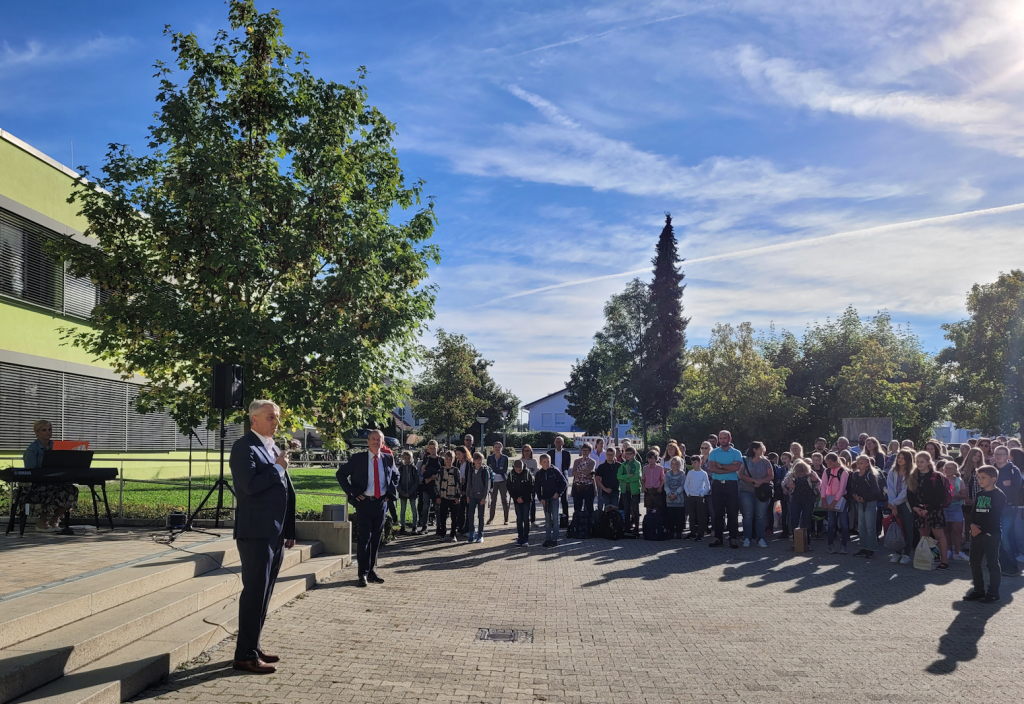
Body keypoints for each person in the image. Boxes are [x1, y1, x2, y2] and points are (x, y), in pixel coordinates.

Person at [230, 400, 297, 674]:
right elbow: (249, 486)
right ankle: (244, 656)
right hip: (255, 532)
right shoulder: (244, 447)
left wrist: (289, 530)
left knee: (265, 593)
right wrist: (278, 467)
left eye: (277, 417)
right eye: (271, 417)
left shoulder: (271, 447)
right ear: (254, 420)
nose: (276, 422)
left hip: (275, 532)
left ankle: (253, 646)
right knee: (255, 593)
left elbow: (285, 492)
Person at [338, 429, 398, 587]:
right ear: (368, 441)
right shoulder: (358, 459)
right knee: (364, 539)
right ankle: (362, 573)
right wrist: (352, 492)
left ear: (382, 442)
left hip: (380, 504)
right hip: (364, 503)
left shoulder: (388, 458)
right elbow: (340, 474)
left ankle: (372, 571)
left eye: (379, 439)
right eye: (373, 439)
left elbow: (395, 475)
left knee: (376, 539)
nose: (376, 442)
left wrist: (389, 493)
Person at [21, 419, 78, 532]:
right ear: (37, 433)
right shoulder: (32, 449)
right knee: (50, 490)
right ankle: (41, 522)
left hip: (55, 481)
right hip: (37, 484)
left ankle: (55, 519)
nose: (48, 432)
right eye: (44, 430)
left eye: (49, 429)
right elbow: (30, 471)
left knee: (72, 490)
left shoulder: (56, 446)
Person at [965, 465, 1006, 603]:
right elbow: (973, 513)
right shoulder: (979, 494)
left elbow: (995, 516)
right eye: (978, 477)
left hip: (991, 534)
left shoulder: (999, 495)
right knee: (974, 561)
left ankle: (993, 593)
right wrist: (972, 525)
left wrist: (980, 529)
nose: (980, 480)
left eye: (983, 477)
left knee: (992, 563)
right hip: (976, 533)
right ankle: (978, 590)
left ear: (993, 479)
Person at [908, 450, 951, 570]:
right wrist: (914, 507)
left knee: (939, 534)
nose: (919, 464)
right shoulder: (914, 476)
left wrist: (929, 509)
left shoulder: (936, 476)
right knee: (923, 534)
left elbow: (940, 495)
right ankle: (925, 558)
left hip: (934, 509)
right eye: (917, 461)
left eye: (922, 461)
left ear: (928, 462)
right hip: (919, 509)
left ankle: (944, 561)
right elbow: (910, 493)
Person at [708, 430, 743, 549]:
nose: (722, 440)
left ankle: (733, 538)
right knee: (718, 512)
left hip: (731, 485)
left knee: (732, 512)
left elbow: (736, 467)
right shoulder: (713, 452)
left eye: (725, 438)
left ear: (730, 439)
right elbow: (712, 468)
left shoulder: (736, 453)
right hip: (717, 485)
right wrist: (728, 469)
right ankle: (718, 538)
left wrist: (721, 466)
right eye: (721, 438)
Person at [992, 445, 1022, 577]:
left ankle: (1012, 567)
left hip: (1009, 507)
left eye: (1002, 454)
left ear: (1008, 456)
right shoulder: (991, 469)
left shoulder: (1014, 470)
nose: (998, 456)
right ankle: (1001, 565)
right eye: (996, 454)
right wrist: (1002, 484)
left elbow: (1015, 489)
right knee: (996, 536)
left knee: (1005, 535)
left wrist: (997, 484)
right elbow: (986, 485)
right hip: (993, 507)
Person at [738, 441, 772, 548]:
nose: (763, 450)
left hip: (762, 491)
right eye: (761, 448)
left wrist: (761, 482)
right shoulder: (745, 460)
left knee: (761, 515)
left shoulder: (765, 461)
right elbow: (740, 475)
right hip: (746, 490)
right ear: (754, 449)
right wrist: (754, 481)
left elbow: (771, 476)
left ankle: (760, 538)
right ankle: (747, 537)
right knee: (748, 515)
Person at [849, 454, 883, 558]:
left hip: (870, 503)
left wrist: (865, 498)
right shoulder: (855, 475)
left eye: (861, 463)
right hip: (860, 502)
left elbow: (875, 491)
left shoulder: (870, 475)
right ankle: (863, 547)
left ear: (867, 464)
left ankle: (871, 549)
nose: (859, 465)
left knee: (870, 526)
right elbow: (852, 487)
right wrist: (855, 496)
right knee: (861, 526)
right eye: (858, 463)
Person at [886, 449, 916, 564]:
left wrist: (895, 502)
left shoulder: (911, 473)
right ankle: (897, 552)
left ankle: (907, 553)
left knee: (907, 527)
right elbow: (889, 487)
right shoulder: (892, 471)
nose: (900, 460)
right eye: (899, 457)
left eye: (903, 458)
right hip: (894, 502)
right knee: (897, 526)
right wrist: (892, 504)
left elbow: (906, 491)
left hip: (905, 503)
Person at [784, 459, 819, 546]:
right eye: (799, 472)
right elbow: (784, 483)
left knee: (806, 520)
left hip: (809, 499)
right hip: (796, 499)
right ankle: (796, 542)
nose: (802, 474)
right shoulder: (791, 475)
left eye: (803, 471)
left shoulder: (811, 474)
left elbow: (820, 483)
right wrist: (788, 485)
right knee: (794, 519)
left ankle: (807, 542)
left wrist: (815, 480)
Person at [820, 452, 850, 555]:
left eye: (830, 463)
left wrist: (835, 501)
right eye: (827, 463)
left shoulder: (843, 472)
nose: (828, 465)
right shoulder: (827, 471)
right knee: (831, 523)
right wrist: (823, 499)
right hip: (829, 498)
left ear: (836, 461)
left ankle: (844, 546)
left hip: (841, 499)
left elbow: (842, 488)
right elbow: (823, 485)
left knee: (843, 523)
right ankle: (830, 545)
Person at [535, 454, 566, 547]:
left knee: (555, 519)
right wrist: (540, 498)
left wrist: (558, 493)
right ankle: (548, 538)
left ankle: (554, 539)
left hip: (554, 498)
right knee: (548, 520)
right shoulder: (539, 474)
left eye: (548, 461)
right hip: (545, 499)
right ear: (540, 463)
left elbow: (564, 482)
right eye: (544, 462)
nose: (547, 463)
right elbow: (537, 487)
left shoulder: (555, 471)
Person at [942, 460, 969, 561]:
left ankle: (957, 552)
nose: (948, 470)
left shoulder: (958, 481)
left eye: (951, 468)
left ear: (955, 470)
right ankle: (948, 550)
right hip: (944, 507)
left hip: (956, 507)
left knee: (957, 530)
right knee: (946, 530)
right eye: (946, 468)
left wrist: (955, 496)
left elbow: (964, 495)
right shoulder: (941, 479)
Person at [435, 449, 463, 542]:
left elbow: (459, 484)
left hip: (453, 497)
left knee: (454, 517)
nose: (448, 461)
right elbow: (437, 484)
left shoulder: (456, 471)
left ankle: (453, 534)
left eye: (450, 459)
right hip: (443, 497)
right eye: (447, 459)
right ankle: (442, 534)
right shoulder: (441, 471)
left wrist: (458, 496)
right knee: (443, 517)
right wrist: (437, 496)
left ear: (453, 460)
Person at [464, 452, 491, 544]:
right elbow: (469, 483)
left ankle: (480, 534)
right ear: (474, 461)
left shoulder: (485, 471)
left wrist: (484, 498)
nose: (479, 462)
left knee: (481, 516)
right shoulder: (471, 470)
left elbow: (487, 486)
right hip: (472, 496)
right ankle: (472, 532)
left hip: (481, 497)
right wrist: (467, 495)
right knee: (470, 515)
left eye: (480, 460)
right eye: (477, 460)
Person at [508, 459, 534, 546]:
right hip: (516, 500)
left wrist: (523, 498)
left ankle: (525, 538)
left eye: (520, 469)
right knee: (519, 518)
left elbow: (531, 487)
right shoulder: (511, 474)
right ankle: (520, 537)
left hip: (526, 499)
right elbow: (509, 487)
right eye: (517, 470)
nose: (519, 471)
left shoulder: (527, 473)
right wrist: (516, 498)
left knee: (526, 518)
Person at [684, 455, 710, 540]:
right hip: (691, 496)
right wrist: (688, 493)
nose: (693, 464)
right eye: (692, 463)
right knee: (692, 516)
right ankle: (692, 532)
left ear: (700, 463)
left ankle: (700, 534)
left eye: (695, 462)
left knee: (700, 516)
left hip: (699, 497)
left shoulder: (703, 473)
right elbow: (686, 484)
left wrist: (702, 494)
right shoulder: (690, 473)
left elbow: (707, 486)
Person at [417, 441, 441, 534]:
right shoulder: (426, 459)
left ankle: (439, 527)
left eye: (434, 448)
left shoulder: (441, 460)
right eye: (430, 448)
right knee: (425, 506)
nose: (432, 450)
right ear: (428, 449)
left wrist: (435, 476)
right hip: (427, 486)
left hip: (437, 487)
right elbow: (423, 472)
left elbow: (443, 473)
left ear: (437, 448)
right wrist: (431, 477)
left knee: (437, 507)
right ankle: (424, 527)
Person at [571, 443, 597, 526]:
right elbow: (573, 473)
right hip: (577, 486)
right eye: (583, 450)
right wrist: (582, 473)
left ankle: (590, 525)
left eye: (586, 451)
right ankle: (577, 524)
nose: (584, 453)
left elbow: (588, 473)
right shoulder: (576, 461)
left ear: (590, 451)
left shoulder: (592, 462)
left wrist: (584, 465)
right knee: (577, 507)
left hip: (588, 486)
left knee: (589, 507)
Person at [617, 447, 643, 533]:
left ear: (634, 454)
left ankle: (636, 527)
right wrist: (628, 476)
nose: (627, 455)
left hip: (634, 490)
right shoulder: (623, 464)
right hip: (625, 490)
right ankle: (627, 527)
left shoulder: (637, 464)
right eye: (626, 454)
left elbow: (637, 476)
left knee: (635, 508)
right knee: (626, 508)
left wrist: (626, 479)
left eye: (630, 454)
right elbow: (619, 476)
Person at [547, 437, 572, 520]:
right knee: (552, 500)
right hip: (552, 479)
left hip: (563, 479)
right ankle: (552, 519)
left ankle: (565, 519)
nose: (558, 443)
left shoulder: (567, 453)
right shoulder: (549, 453)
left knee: (564, 500)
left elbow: (567, 466)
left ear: (563, 443)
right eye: (557, 442)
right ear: (554, 443)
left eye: (560, 442)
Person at [396, 450, 419, 535]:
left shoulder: (414, 469)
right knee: (402, 510)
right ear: (402, 458)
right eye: (405, 458)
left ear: (412, 458)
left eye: (409, 458)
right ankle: (402, 526)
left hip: (412, 492)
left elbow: (416, 482)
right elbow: (397, 482)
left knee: (414, 509)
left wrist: (410, 492)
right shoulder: (400, 469)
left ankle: (414, 526)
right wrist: (402, 492)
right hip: (403, 492)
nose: (407, 460)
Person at [486, 442, 510, 525]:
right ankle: (491, 518)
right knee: (493, 501)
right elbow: (489, 469)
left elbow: (504, 469)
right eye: (495, 447)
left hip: (503, 481)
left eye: (499, 447)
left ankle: (506, 519)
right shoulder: (490, 458)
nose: (497, 449)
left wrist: (495, 470)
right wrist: (498, 469)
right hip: (493, 481)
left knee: (504, 500)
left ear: (502, 448)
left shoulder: (505, 458)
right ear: (493, 448)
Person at [664, 456, 687, 539]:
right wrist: (669, 494)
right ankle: (671, 532)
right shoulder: (667, 474)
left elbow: (682, 485)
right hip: (669, 499)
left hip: (679, 499)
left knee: (679, 517)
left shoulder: (682, 474)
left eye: (675, 464)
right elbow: (666, 485)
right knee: (670, 517)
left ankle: (679, 532)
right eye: (672, 464)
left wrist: (675, 494)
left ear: (679, 465)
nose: (674, 466)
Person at [594, 448, 621, 513]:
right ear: (606, 455)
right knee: (607, 509)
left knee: (615, 509)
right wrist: (605, 489)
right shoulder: (601, 466)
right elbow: (597, 479)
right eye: (608, 454)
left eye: (611, 455)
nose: (610, 456)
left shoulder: (619, 466)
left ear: (615, 455)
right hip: (605, 491)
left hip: (616, 490)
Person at [521, 444, 540, 525]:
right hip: (522, 485)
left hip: (532, 484)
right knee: (523, 502)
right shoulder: (520, 461)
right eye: (525, 451)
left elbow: (536, 470)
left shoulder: (534, 461)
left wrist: (530, 475)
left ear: (531, 451)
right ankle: (523, 519)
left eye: (528, 451)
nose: (526, 452)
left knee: (532, 502)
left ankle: (533, 520)